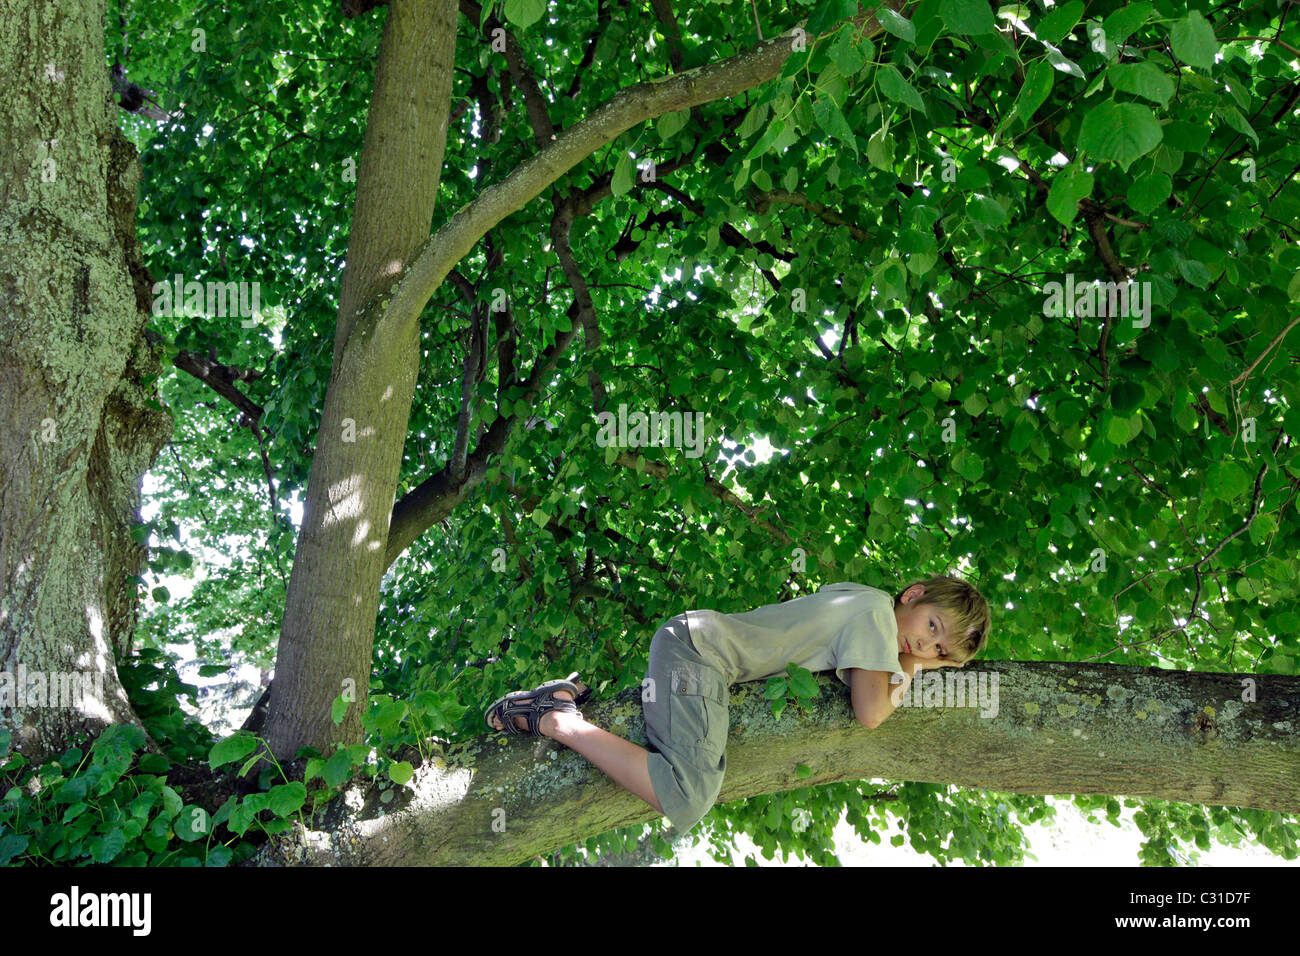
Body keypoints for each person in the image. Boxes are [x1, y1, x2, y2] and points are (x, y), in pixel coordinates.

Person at [485, 575, 991, 834]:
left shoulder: (863, 602)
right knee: (688, 794)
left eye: (942, 652)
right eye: (932, 627)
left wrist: (918, 661)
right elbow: (872, 712)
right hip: (699, 653)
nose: (927, 647)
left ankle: (556, 713)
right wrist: (918, 671)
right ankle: (557, 718)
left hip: (694, 649)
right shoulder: (877, 616)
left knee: (690, 786)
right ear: (913, 594)